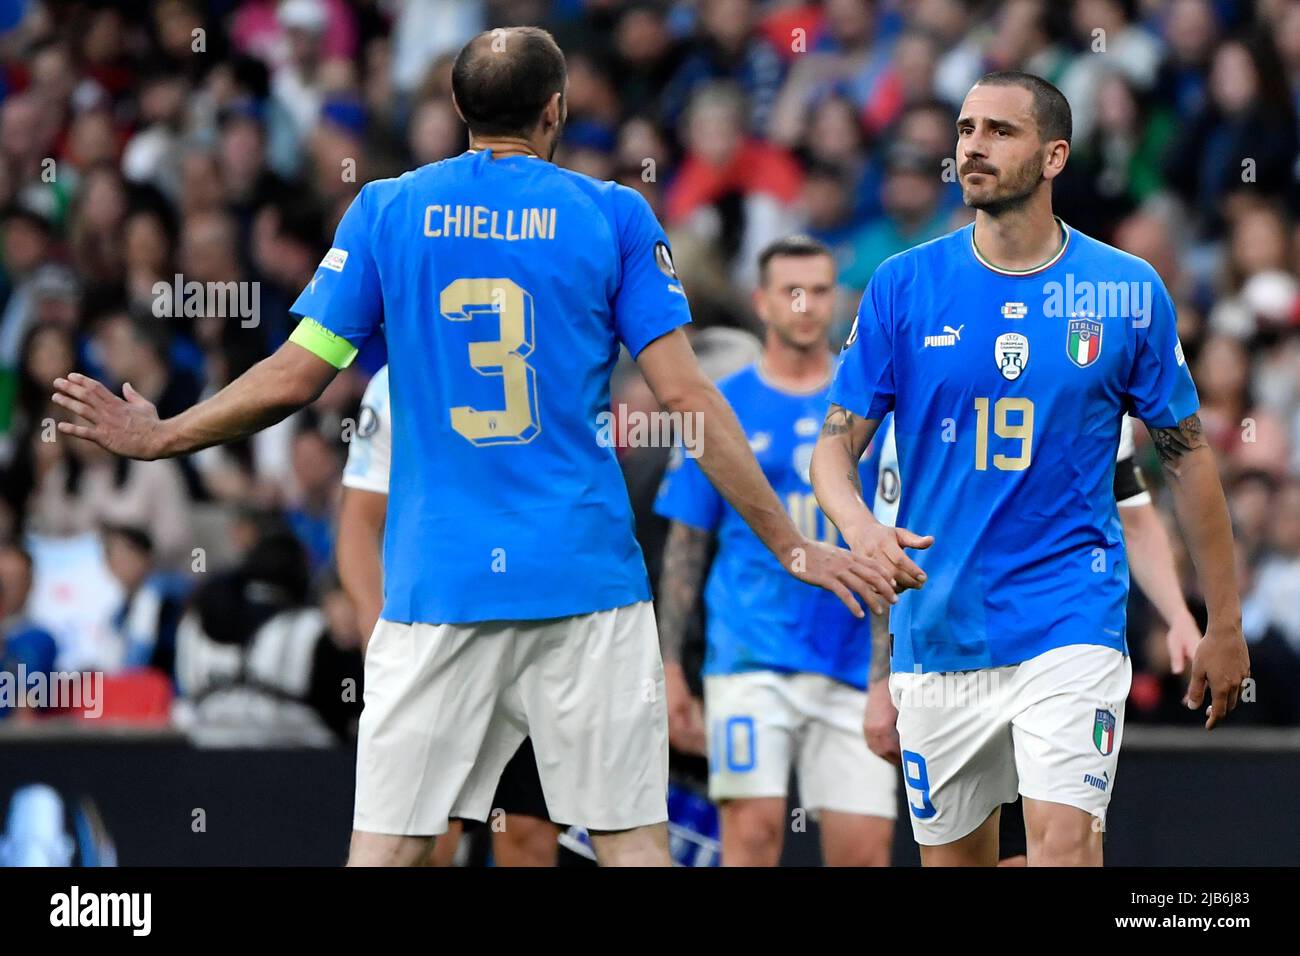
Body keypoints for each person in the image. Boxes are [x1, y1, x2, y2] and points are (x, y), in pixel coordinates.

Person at [52, 27, 901, 868]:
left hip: (438, 586)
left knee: (385, 851)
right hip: (585, 582)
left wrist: (165, 433)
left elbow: (293, 376)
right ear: (556, 110)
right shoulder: (613, 215)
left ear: (457, 107)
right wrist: (790, 543)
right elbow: (688, 396)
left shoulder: (388, 208)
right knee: (632, 848)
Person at [809, 70, 1250, 867]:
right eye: (966, 128)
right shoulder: (903, 286)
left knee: (1064, 845)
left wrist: (1221, 621)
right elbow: (835, 450)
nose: (973, 146)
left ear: (1054, 156)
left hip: (1069, 616)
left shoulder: (1125, 291)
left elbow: (1185, 461)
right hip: (938, 626)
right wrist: (860, 528)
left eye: (999, 131)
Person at [864, 413, 1203, 865]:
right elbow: (887, 550)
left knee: (1058, 842)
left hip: (1064, 639)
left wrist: (1178, 613)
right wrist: (881, 680)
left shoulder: (1096, 385)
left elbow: (1135, 514)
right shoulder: (919, 392)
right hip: (955, 654)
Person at [655, 236, 896, 866]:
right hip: (748, 657)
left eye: (819, 291)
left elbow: (894, 540)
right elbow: (687, 542)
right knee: (754, 836)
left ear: (836, 301)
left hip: (851, 662)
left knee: (864, 853)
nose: (806, 305)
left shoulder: (872, 408)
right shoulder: (723, 404)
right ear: (761, 302)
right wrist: (672, 668)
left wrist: (887, 676)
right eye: (792, 291)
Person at [336, 365, 560, 866]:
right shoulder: (396, 384)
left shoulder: (549, 363)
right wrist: (381, 638)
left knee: (530, 831)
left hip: (534, 629)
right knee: (425, 839)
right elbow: (358, 522)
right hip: (435, 639)